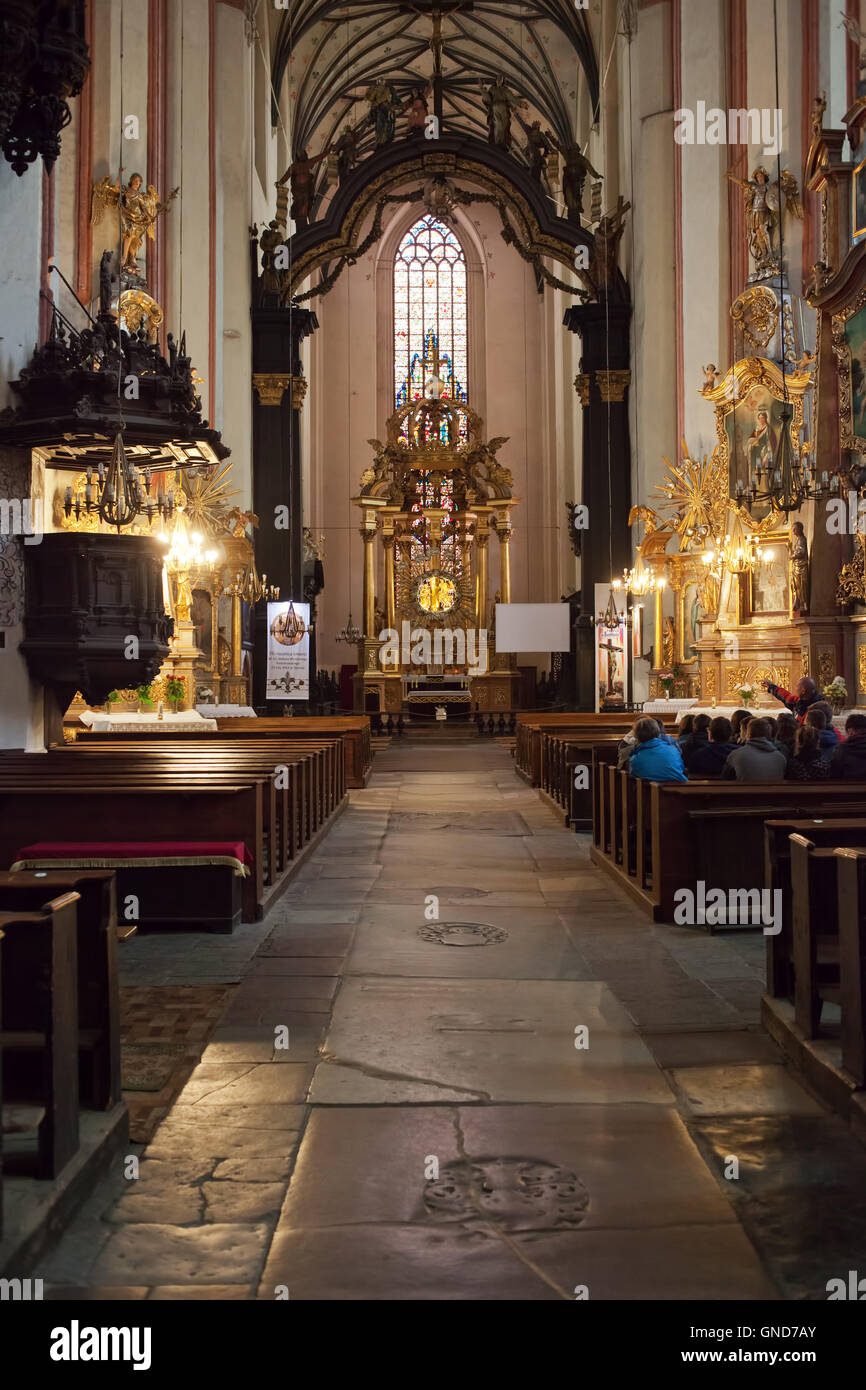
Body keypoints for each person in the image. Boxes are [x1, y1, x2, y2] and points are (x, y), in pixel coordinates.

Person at [721, 718, 787, 781]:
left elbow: (725, 777)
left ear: (748, 735)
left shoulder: (736, 754)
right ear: (769, 735)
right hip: (775, 792)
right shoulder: (780, 757)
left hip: (744, 792)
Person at [628, 717, 688, 782]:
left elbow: (633, 777)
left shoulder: (636, 759)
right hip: (679, 789)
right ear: (657, 732)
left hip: (649, 791)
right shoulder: (673, 750)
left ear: (636, 736)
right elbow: (681, 768)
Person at [830, 713, 866, 778]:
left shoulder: (842, 749)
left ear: (850, 730)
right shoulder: (842, 749)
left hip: (847, 786)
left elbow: (835, 773)